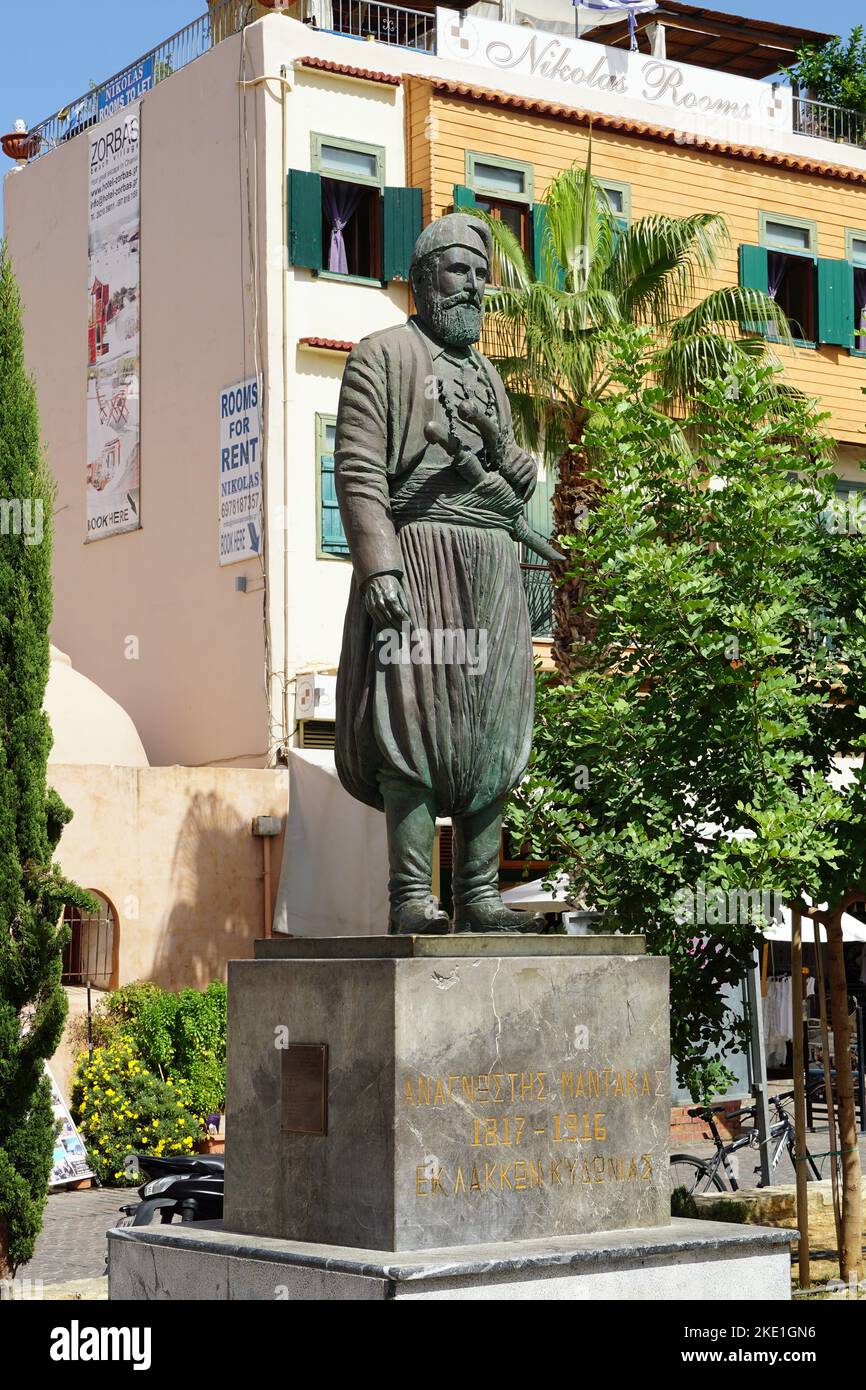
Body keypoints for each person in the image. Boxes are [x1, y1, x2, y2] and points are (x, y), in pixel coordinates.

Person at [335, 213, 539, 934]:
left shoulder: (490, 378)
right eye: (461, 273)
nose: (475, 288)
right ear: (424, 281)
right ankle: (411, 897)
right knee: (412, 721)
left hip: (492, 564)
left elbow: (514, 486)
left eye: (483, 277)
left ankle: (480, 895)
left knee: (497, 727)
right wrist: (379, 567)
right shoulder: (381, 356)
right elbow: (357, 472)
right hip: (417, 559)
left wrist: (519, 475)